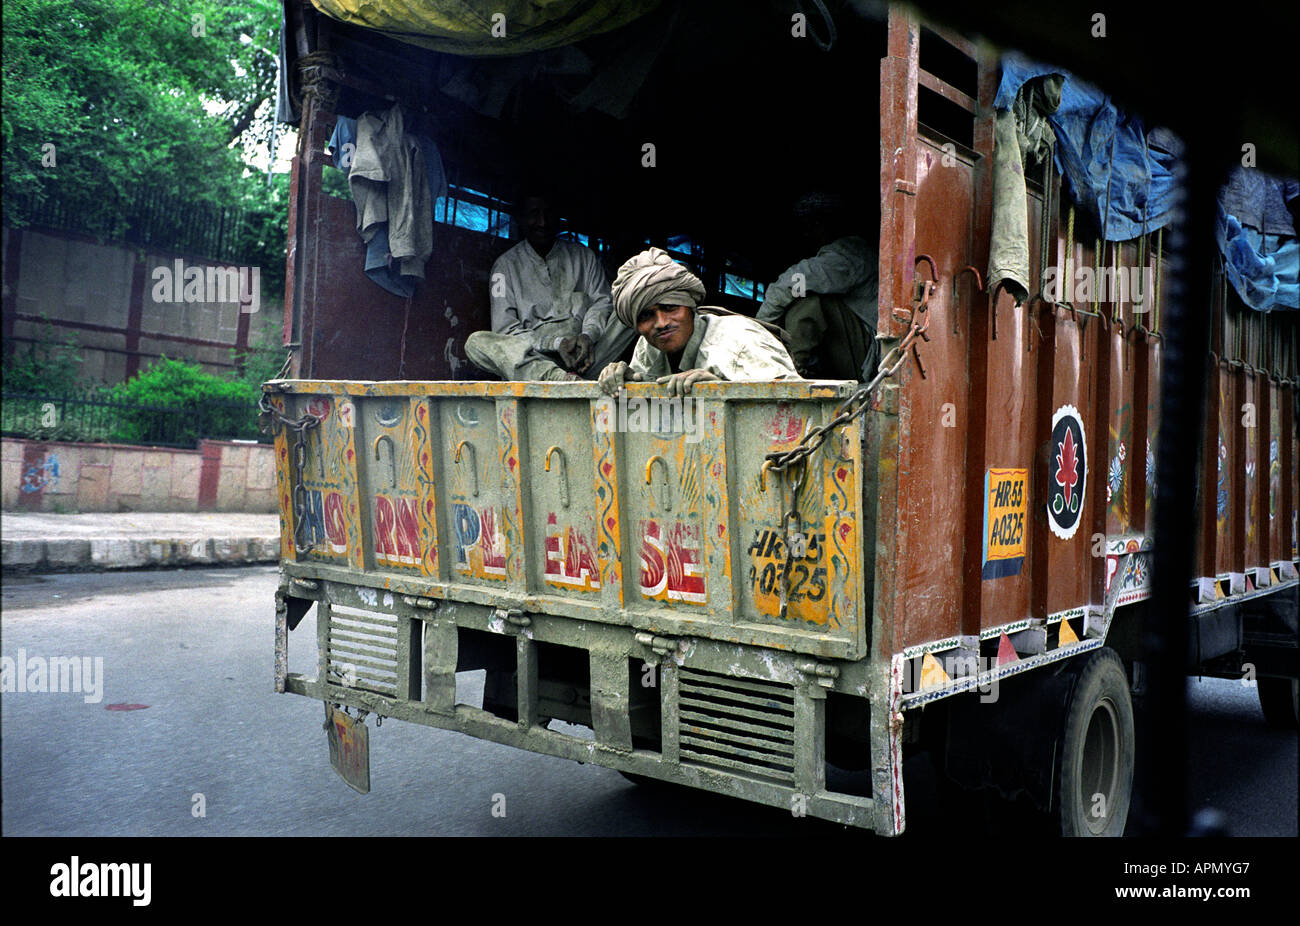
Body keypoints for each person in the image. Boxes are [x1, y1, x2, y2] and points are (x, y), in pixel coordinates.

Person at [464, 188, 636, 381]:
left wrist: (588, 335)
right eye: (534, 214)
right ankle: (559, 379)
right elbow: (505, 330)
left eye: (549, 213)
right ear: (520, 219)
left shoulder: (584, 257)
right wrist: (557, 343)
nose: (543, 222)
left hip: (591, 357)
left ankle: (574, 378)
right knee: (476, 342)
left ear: (559, 217)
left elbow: (602, 303)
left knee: (634, 303)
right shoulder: (504, 267)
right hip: (537, 362)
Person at [598, 248, 801, 396]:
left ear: (690, 307)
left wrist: (723, 392)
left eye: (670, 308)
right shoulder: (649, 346)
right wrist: (624, 380)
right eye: (645, 316)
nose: (660, 323)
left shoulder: (741, 341)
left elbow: (797, 404)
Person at [755, 192, 880, 381]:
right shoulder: (842, 254)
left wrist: (754, 332)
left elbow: (789, 284)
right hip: (856, 354)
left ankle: (793, 371)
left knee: (806, 299)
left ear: (821, 224)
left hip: (869, 361)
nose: (805, 235)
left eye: (808, 227)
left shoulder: (848, 255)